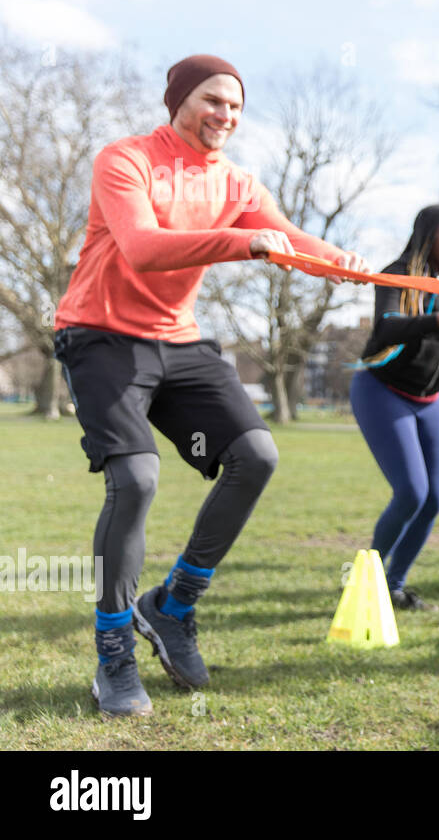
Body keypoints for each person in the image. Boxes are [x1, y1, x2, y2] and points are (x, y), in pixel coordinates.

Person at [54, 54, 369, 716]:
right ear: (178, 101)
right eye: (213, 100)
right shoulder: (127, 160)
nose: (225, 114)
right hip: (102, 337)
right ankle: (113, 656)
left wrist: (339, 263)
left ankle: (172, 606)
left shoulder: (240, 184)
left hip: (179, 340)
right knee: (135, 478)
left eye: (235, 106)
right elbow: (142, 246)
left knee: (256, 455)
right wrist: (241, 242)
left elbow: (282, 238)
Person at [351, 205, 439, 608]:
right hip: (381, 391)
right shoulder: (399, 274)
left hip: (431, 401)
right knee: (411, 492)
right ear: (426, 235)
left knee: (433, 501)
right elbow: (387, 324)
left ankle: (392, 586)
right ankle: (363, 583)